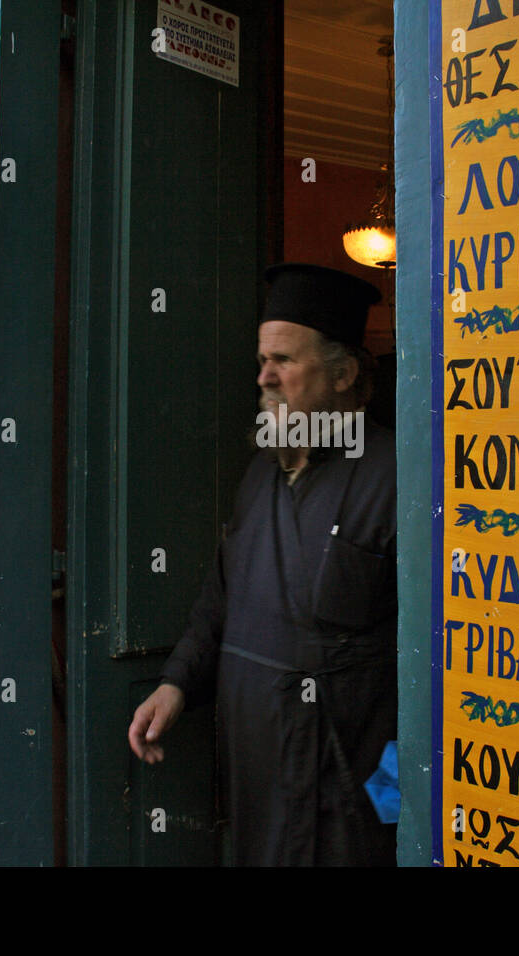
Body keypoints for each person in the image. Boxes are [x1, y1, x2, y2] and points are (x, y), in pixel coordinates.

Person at [128, 263, 398, 866]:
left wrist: (400, 782)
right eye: (261, 362)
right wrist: (176, 682)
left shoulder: (394, 478)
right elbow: (221, 599)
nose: (264, 378)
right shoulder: (259, 475)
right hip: (260, 774)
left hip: (346, 783)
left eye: (282, 361)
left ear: (344, 374)